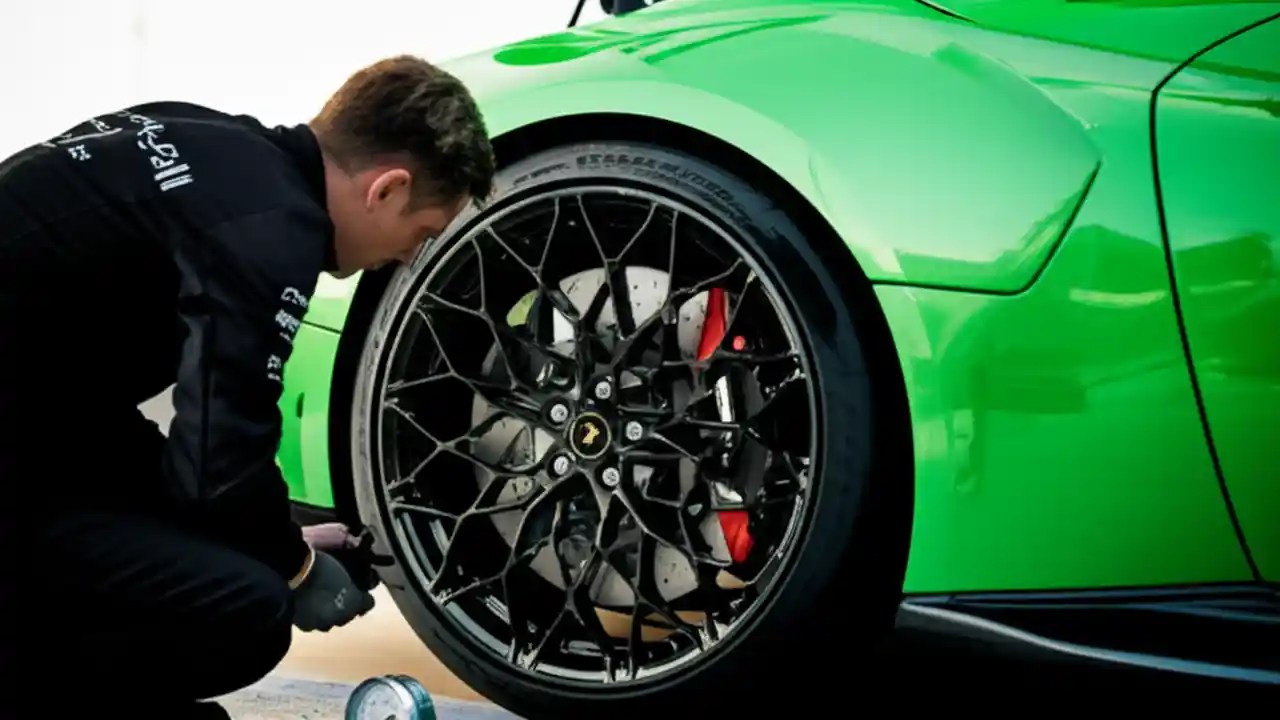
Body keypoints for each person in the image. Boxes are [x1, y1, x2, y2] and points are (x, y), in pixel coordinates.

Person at [0, 54, 496, 717]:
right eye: (422, 233)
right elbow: (216, 457)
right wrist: (294, 569)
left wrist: (280, 537)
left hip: (34, 441)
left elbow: (95, 424)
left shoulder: (207, 144)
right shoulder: (275, 229)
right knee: (246, 613)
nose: (408, 256)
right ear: (388, 189)